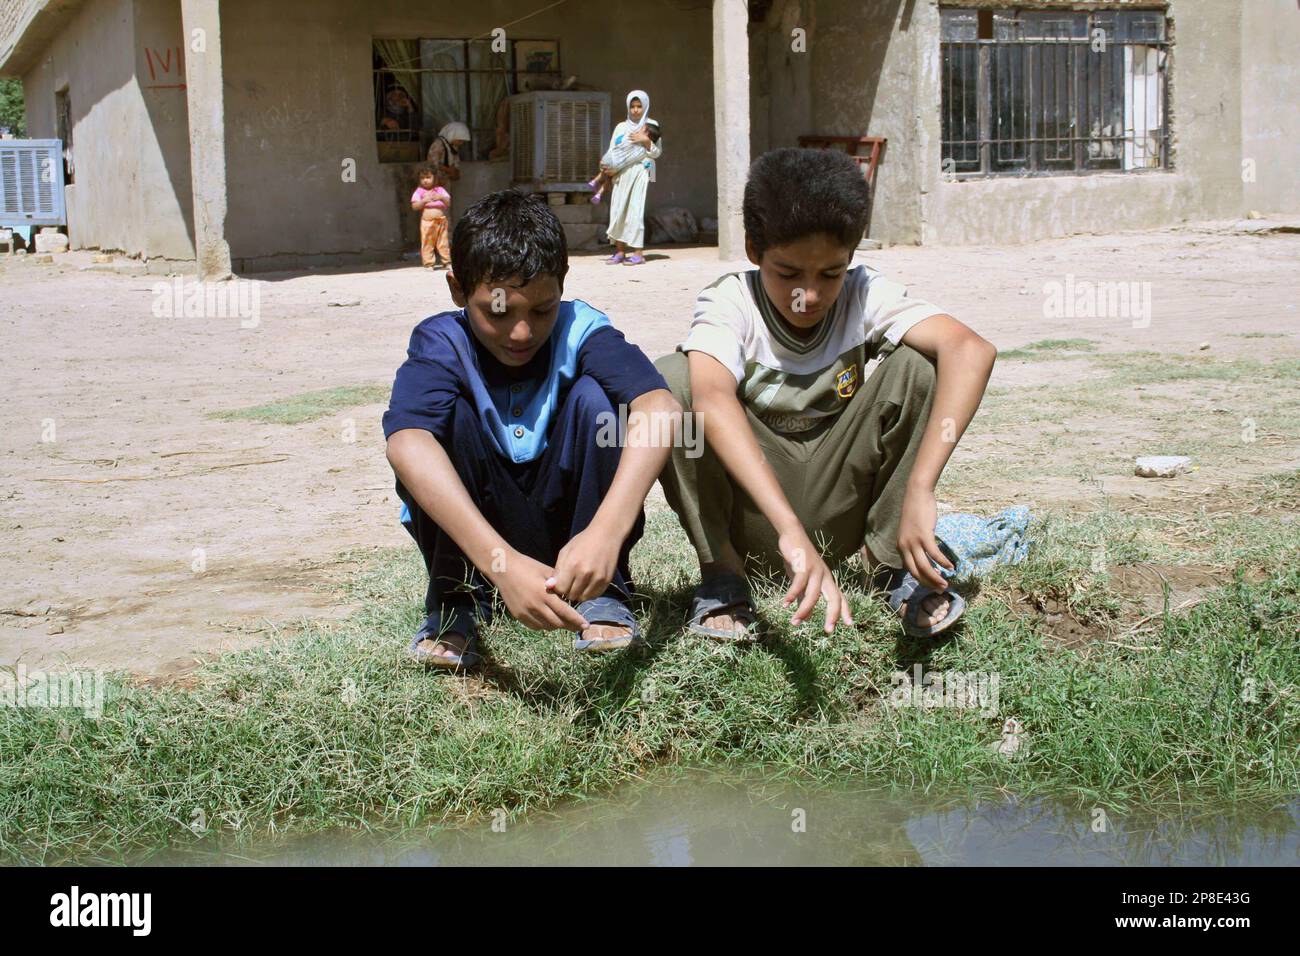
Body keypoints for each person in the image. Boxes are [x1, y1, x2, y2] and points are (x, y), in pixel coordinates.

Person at [654, 148, 997, 642]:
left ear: (851, 259)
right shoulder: (731, 300)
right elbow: (710, 397)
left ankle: (894, 569)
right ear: (754, 250)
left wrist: (921, 487)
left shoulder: (865, 294)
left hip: (838, 504)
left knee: (921, 366)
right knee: (674, 382)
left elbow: (971, 350)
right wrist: (789, 529)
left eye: (830, 274)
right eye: (788, 274)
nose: (808, 296)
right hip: (758, 520)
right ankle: (724, 581)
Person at [383, 189, 681, 670]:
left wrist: (605, 531)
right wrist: (501, 563)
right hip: (480, 545)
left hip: (575, 545)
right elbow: (406, 444)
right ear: (458, 290)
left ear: (562, 285)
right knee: (440, 424)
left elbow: (660, 408)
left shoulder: (582, 328)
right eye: (497, 312)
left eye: (541, 310)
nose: (521, 333)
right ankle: (456, 603)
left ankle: (602, 593)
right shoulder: (441, 342)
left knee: (599, 403)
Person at [604, 90, 662, 266]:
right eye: (633, 106)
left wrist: (644, 141)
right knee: (618, 211)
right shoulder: (621, 127)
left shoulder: (651, 125)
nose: (636, 110)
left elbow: (657, 152)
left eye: (639, 106)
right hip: (621, 174)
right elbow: (613, 150)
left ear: (645, 106)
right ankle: (620, 251)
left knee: (635, 212)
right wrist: (607, 167)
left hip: (640, 172)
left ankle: (638, 253)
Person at [588, 120, 660, 205]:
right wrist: (652, 177)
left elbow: (618, 141)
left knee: (605, 173)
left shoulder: (631, 136)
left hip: (608, 159)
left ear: (646, 134)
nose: (638, 129)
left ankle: (594, 181)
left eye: (641, 129)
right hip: (616, 167)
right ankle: (599, 194)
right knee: (609, 178)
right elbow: (649, 163)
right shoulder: (643, 152)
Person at [411, 166, 452, 270]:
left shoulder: (440, 190)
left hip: (441, 220)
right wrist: (424, 201)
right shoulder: (419, 191)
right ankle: (429, 263)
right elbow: (414, 206)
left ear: (435, 178)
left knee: (443, 242)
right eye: (422, 178)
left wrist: (441, 197)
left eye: (428, 177)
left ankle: (446, 262)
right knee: (427, 242)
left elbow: (448, 203)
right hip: (427, 222)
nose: (425, 180)